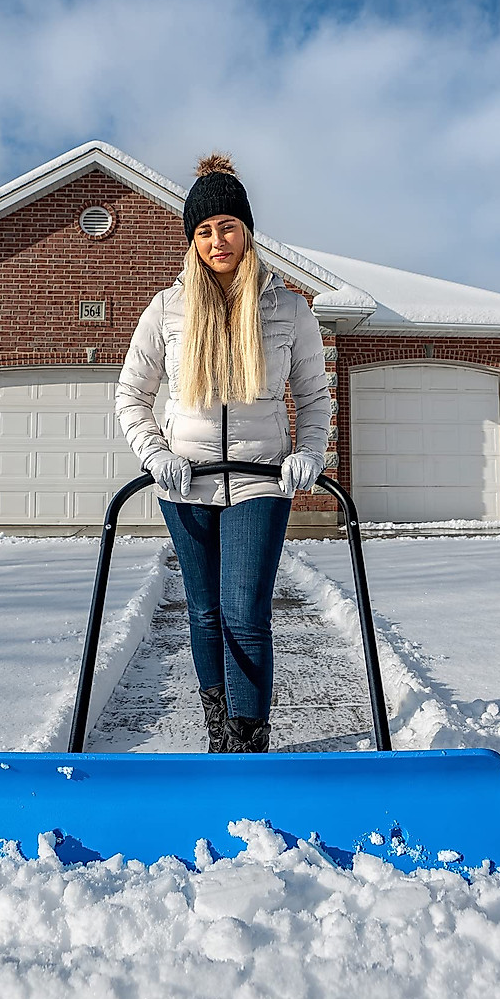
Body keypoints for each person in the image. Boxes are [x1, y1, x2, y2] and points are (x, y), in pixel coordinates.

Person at [115, 153, 332, 754]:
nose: (217, 241)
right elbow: (131, 394)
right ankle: (221, 737)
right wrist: (155, 453)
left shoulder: (287, 309)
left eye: (227, 227)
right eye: (205, 231)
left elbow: (314, 396)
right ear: (192, 240)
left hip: (260, 480)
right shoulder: (167, 309)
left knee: (244, 613)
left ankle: (249, 742)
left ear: (247, 231)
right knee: (205, 614)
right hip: (186, 481)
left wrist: (309, 453)